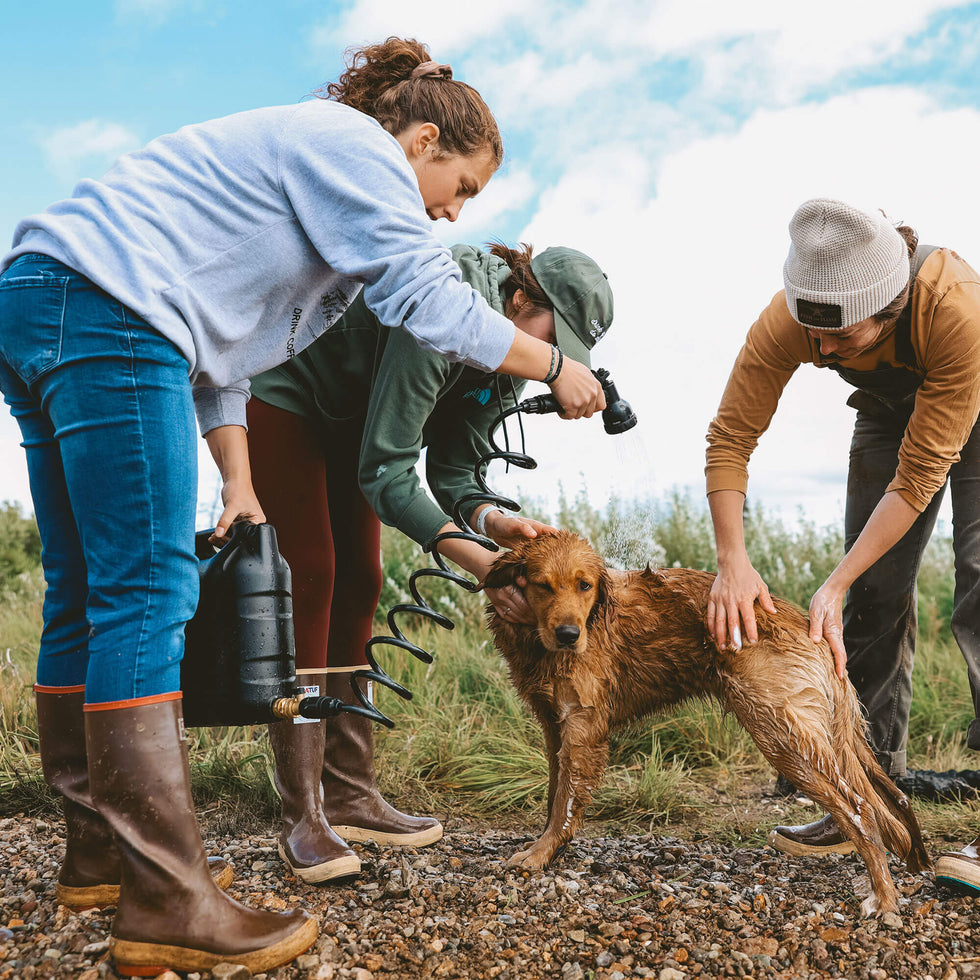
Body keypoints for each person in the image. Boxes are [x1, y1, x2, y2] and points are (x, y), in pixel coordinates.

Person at [0, 37, 604, 976]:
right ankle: (168, 903)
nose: (453, 209)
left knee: (84, 588)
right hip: (109, 310)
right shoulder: (352, 149)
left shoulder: (310, 190)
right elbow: (431, 303)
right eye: (461, 184)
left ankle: (98, 856)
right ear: (420, 139)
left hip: (45, 297)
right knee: (147, 594)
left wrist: (236, 479)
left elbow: (225, 360)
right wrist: (561, 366)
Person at [238, 240, 613, 883]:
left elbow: (454, 471)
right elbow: (387, 471)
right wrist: (482, 565)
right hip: (289, 388)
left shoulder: (505, 364)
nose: (550, 365)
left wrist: (497, 524)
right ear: (521, 300)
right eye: (557, 340)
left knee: (361, 578)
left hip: (359, 424)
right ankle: (303, 812)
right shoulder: (445, 306)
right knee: (314, 573)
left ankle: (350, 792)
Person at [703, 197, 980, 892]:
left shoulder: (956, 310)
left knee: (979, 587)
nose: (821, 354)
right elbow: (730, 438)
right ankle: (867, 796)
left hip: (972, 398)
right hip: (889, 415)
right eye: (811, 335)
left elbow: (921, 476)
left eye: (840, 341)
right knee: (874, 603)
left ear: (887, 308)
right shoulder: (794, 318)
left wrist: (834, 578)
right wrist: (731, 561)